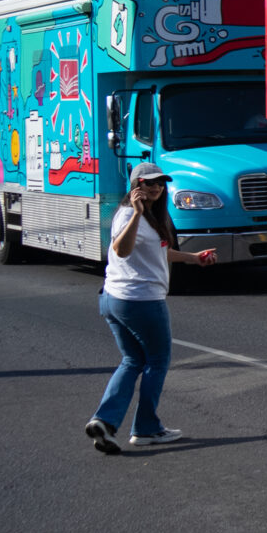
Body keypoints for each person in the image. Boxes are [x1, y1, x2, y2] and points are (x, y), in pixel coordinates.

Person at [84, 162, 216, 454]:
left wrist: (194, 258)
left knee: (132, 360)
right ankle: (146, 429)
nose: (155, 187)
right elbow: (121, 249)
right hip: (140, 301)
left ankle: (103, 421)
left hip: (114, 298)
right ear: (135, 186)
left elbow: (158, 251)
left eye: (160, 183)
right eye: (148, 183)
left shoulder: (148, 218)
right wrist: (138, 214)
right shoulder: (131, 215)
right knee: (157, 361)